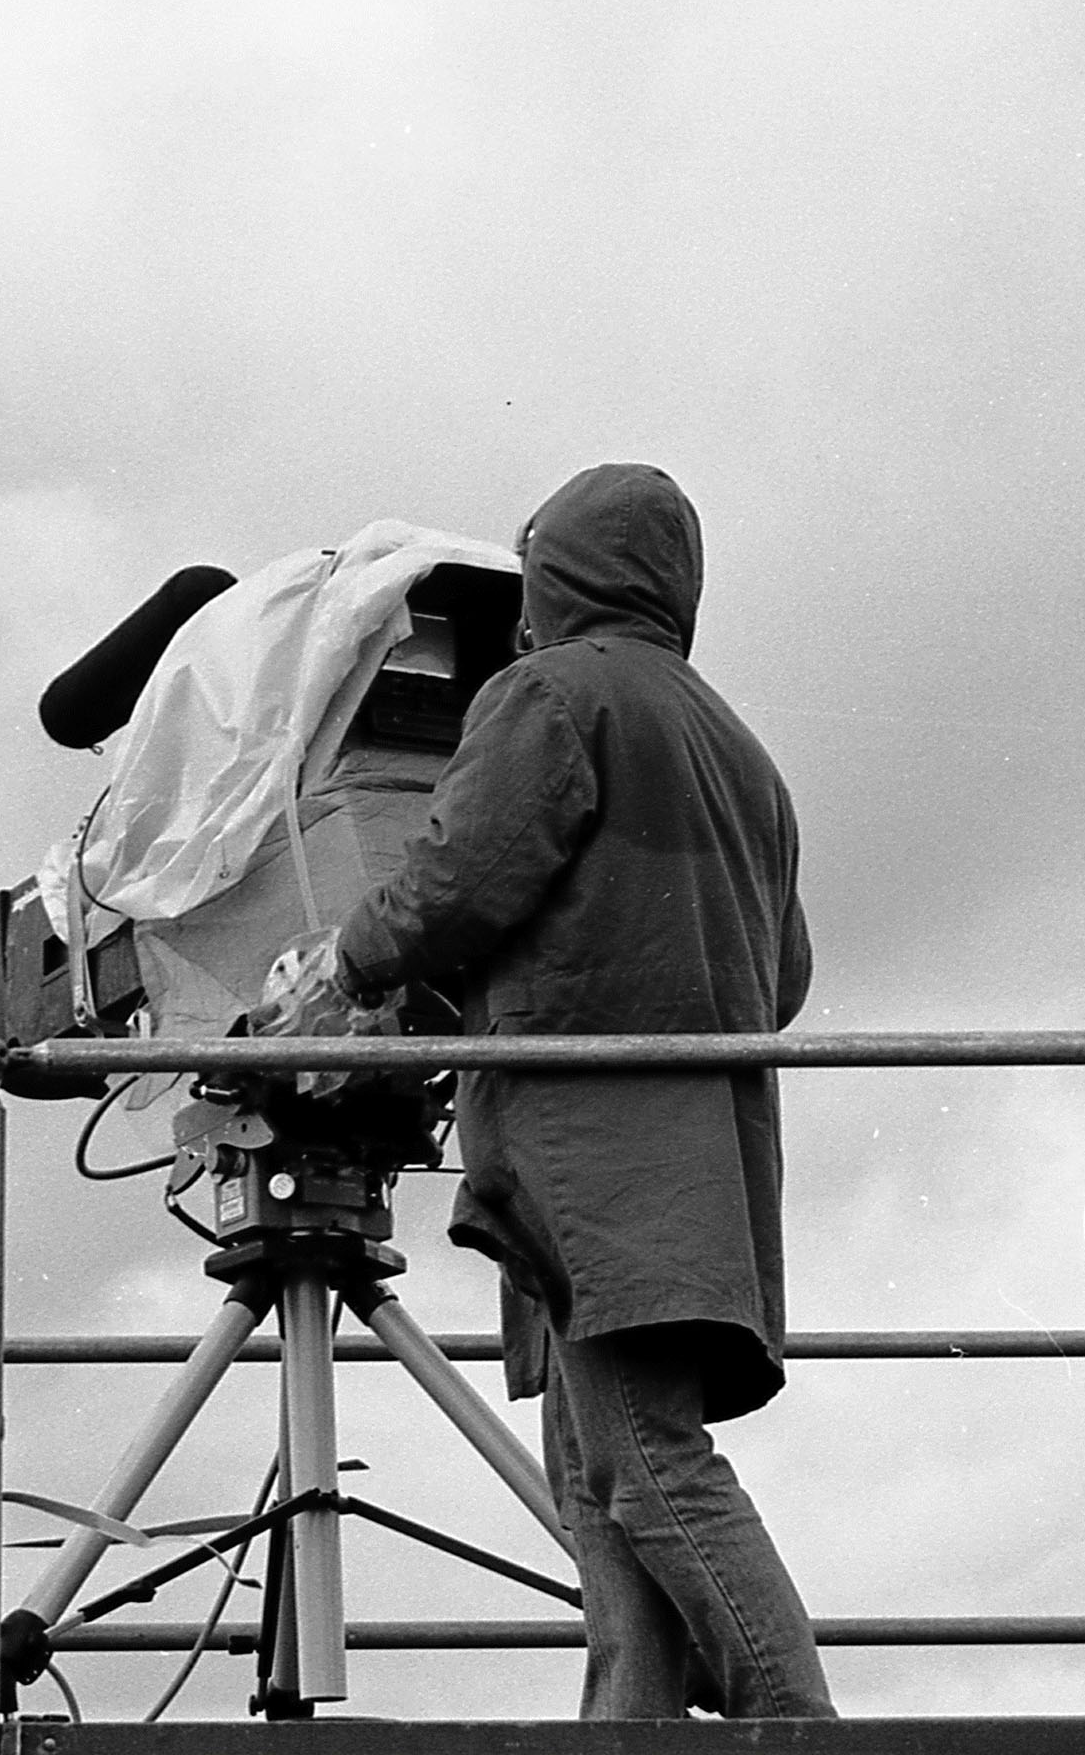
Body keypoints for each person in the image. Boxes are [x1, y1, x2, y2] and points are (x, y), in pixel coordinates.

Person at [326, 462, 835, 1719]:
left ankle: (802, 1731)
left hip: (587, 1149)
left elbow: (461, 876)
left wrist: (346, 963)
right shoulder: (742, 751)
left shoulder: (549, 693)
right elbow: (781, 976)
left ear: (557, 575)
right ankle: (629, 1730)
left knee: (646, 1464)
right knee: (599, 1491)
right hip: (698, 1158)